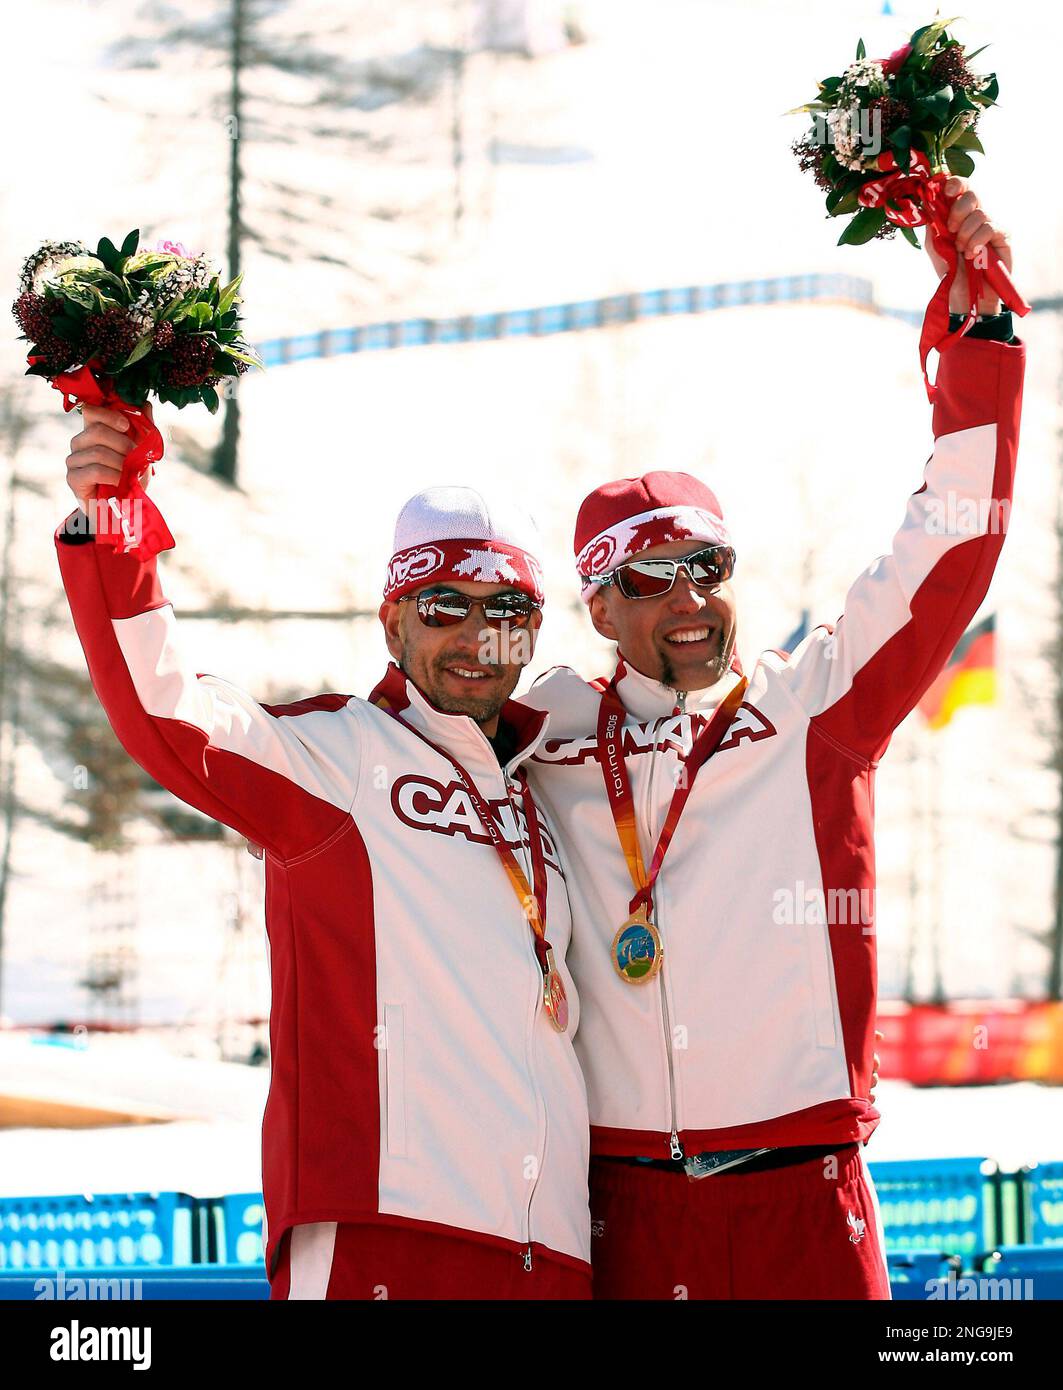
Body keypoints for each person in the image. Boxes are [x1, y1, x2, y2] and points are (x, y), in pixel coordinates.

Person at [521, 176, 1025, 1299]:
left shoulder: (814, 709)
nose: (689, 597)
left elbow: (947, 551)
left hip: (801, 1200)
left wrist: (977, 333)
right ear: (598, 607)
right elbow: (383, 728)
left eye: (707, 566)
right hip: (625, 1210)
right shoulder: (538, 730)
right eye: (649, 579)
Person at [55, 459, 591, 1300]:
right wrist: (111, 515)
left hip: (549, 1251)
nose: (478, 637)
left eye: (508, 613)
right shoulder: (335, 759)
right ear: (392, 625)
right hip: (385, 1231)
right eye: (445, 606)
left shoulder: (546, 790)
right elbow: (161, 709)